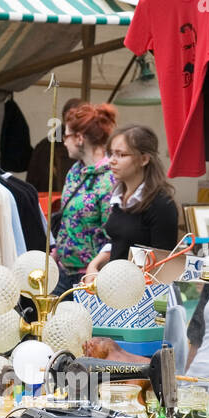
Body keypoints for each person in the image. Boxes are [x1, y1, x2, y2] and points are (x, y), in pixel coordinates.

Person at [84, 125, 178, 277]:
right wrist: (93, 266)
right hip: (113, 287)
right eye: (111, 154)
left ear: (144, 159)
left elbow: (163, 264)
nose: (111, 161)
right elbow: (119, 243)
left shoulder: (161, 204)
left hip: (141, 294)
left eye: (120, 155)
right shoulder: (119, 196)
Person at [51, 103, 117, 294]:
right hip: (62, 272)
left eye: (66, 136)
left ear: (79, 138)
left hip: (91, 278)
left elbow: (113, 236)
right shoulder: (74, 171)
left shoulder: (110, 179)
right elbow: (67, 222)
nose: (63, 142)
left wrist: (95, 266)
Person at [27, 97, 84, 193]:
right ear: (65, 119)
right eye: (72, 117)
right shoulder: (45, 147)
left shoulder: (92, 145)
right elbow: (32, 184)